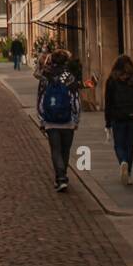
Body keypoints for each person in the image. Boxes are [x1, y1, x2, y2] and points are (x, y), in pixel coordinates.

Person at [35, 48, 81, 191]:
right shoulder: (69, 77)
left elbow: (40, 99)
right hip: (67, 121)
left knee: (55, 149)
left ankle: (60, 177)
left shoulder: (46, 76)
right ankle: (63, 175)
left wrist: (42, 119)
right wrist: (76, 119)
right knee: (65, 150)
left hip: (50, 121)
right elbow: (75, 99)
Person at [104, 55, 133, 185]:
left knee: (119, 144)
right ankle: (128, 174)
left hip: (118, 116)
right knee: (130, 145)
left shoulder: (112, 80)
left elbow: (108, 102)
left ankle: (123, 161)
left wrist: (107, 122)